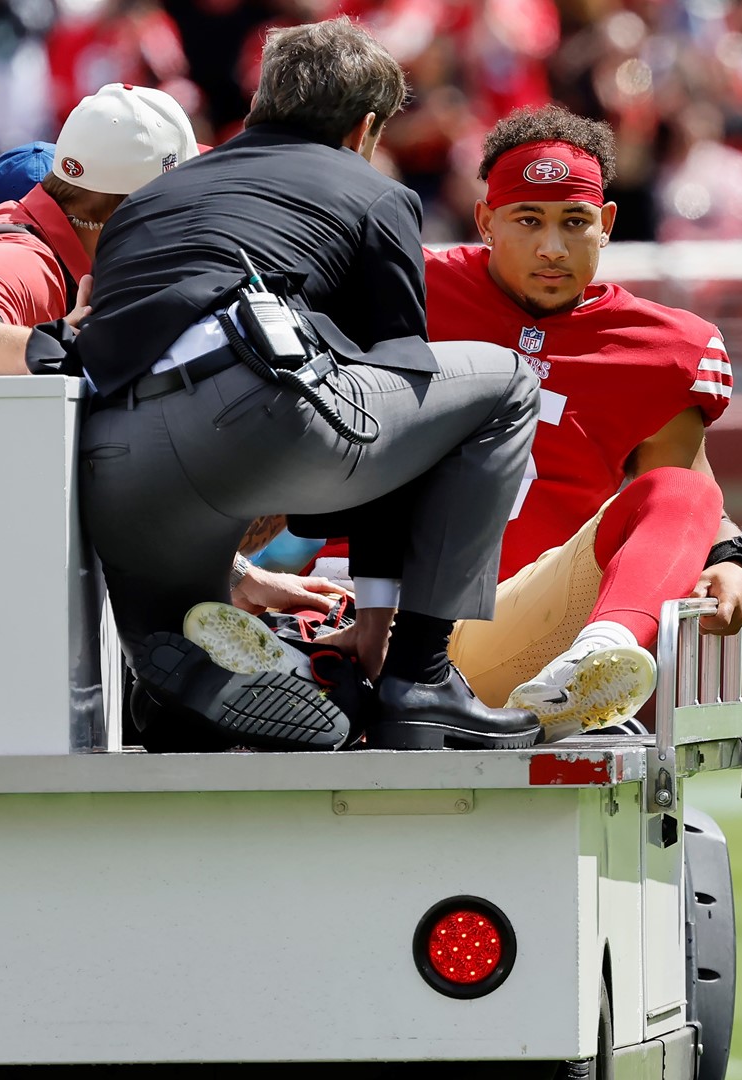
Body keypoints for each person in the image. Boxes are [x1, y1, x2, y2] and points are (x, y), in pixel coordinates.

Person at [73, 18, 543, 753]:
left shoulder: (147, 200)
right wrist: (380, 615)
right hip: (256, 410)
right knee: (508, 384)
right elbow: (402, 388)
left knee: (185, 647)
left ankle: (176, 694)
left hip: (112, 459)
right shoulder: (375, 193)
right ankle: (422, 681)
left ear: (260, 105)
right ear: (365, 128)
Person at [380, 106, 742, 740]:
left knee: (684, 493)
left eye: (575, 221)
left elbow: (681, 491)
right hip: (372, 605)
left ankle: (595, 660)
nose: (552, 248)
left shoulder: (658, 348)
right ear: (485, 221)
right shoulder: (409, 288)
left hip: (517, 625)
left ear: (607, 223)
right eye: (528, 221)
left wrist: (733, 557)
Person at [0, 83, 199, 378]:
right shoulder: (24, 258)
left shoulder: (68, 241)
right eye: (173, 202)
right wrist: (70, 345)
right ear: (132, 210)